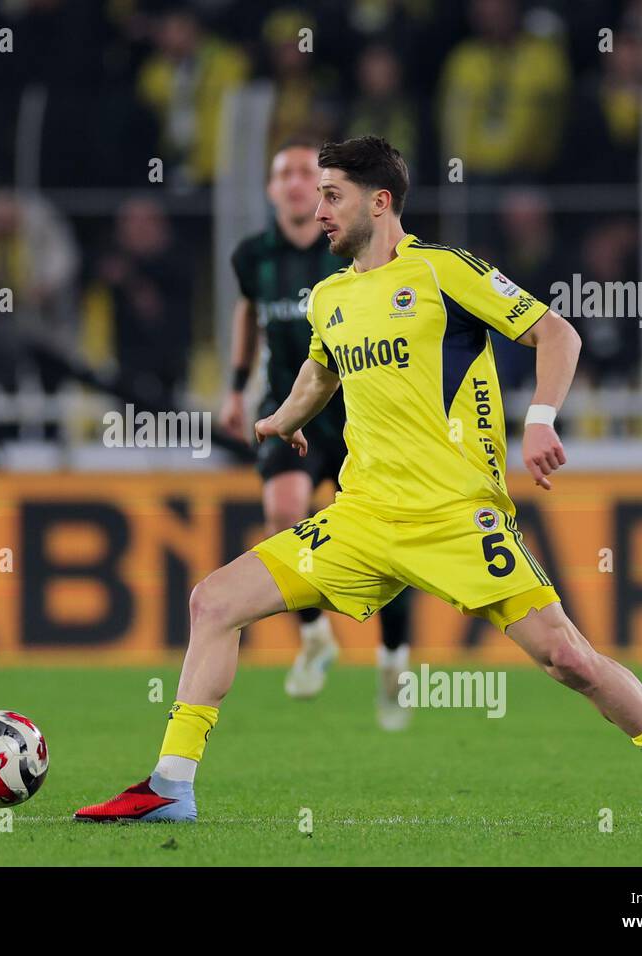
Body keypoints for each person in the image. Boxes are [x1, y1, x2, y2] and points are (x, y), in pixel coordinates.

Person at [75, 135, 642, 828]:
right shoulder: (330, 296)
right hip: (363, 518)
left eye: (333, 196)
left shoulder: (443, 270)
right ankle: (171, 786)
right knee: (213, 603)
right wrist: (284, 416)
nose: (320, 211)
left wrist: (542, 420)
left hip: (458, 516)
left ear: (381, 200)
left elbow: (558, 334)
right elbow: (323, 367)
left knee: (569, 660)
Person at [220, 138, 414, 724]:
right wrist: (235, 386)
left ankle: (393, 658)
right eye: (287, 174)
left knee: (390, 548)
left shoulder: (350, 247)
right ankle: (316, 638)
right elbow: (249, 311)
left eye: (312, 174)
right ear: (273, 189)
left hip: (359, 415)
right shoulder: (254, 256)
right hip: (292, 408)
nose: (300, 184)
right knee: (283, 514)